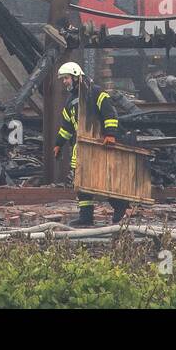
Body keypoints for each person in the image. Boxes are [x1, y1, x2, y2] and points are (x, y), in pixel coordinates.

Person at [52, 61, 127, 227]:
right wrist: (59, 144)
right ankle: (86, 217)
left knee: (103, 180)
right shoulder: (70, 101)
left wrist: (110, 134)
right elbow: (67, 128)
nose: (64, 82)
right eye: (63, 79)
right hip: (81, 150)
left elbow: (109, 114)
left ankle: (119, 206)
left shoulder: (96, 93)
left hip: (98, 146)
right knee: (82, 184)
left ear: (76, 76)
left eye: (66, 78)